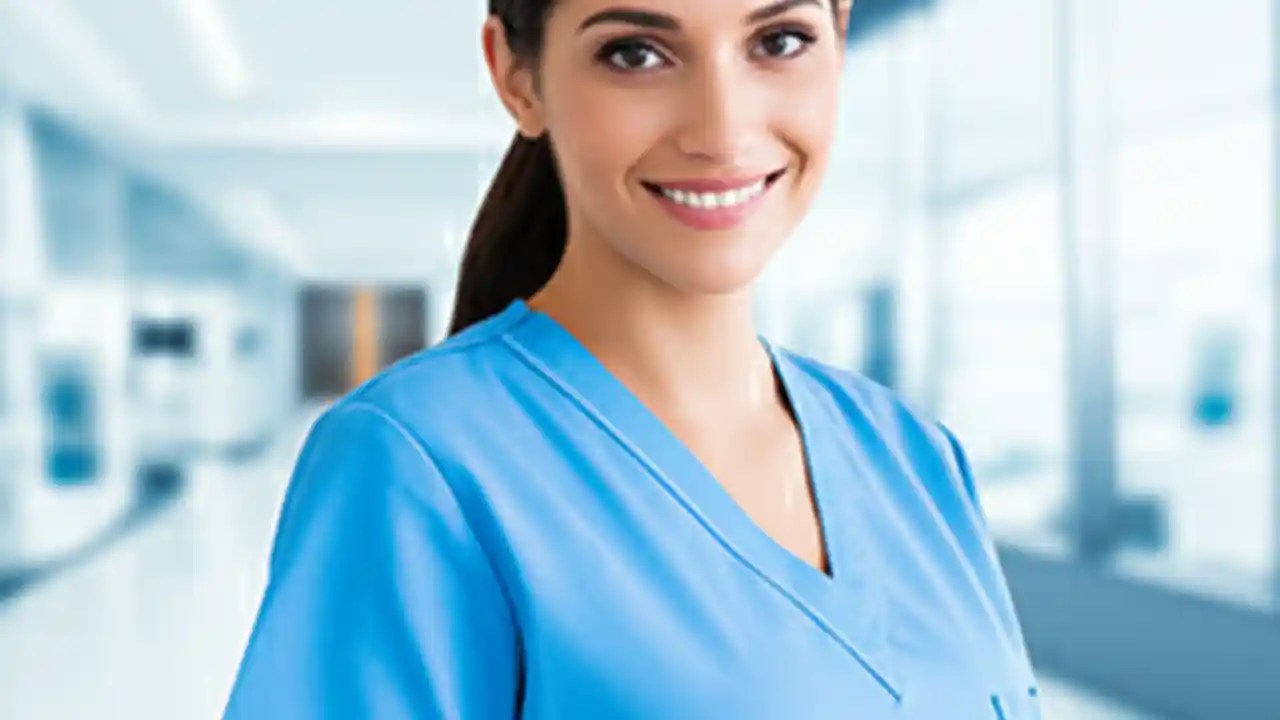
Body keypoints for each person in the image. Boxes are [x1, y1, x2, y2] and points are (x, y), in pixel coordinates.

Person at [223, 1, 1041, 717]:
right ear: (517, 75)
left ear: (841, 36)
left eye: (780, 40)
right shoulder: (418, 465)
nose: (722, 130)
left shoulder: (915, 458)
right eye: (636, 53)